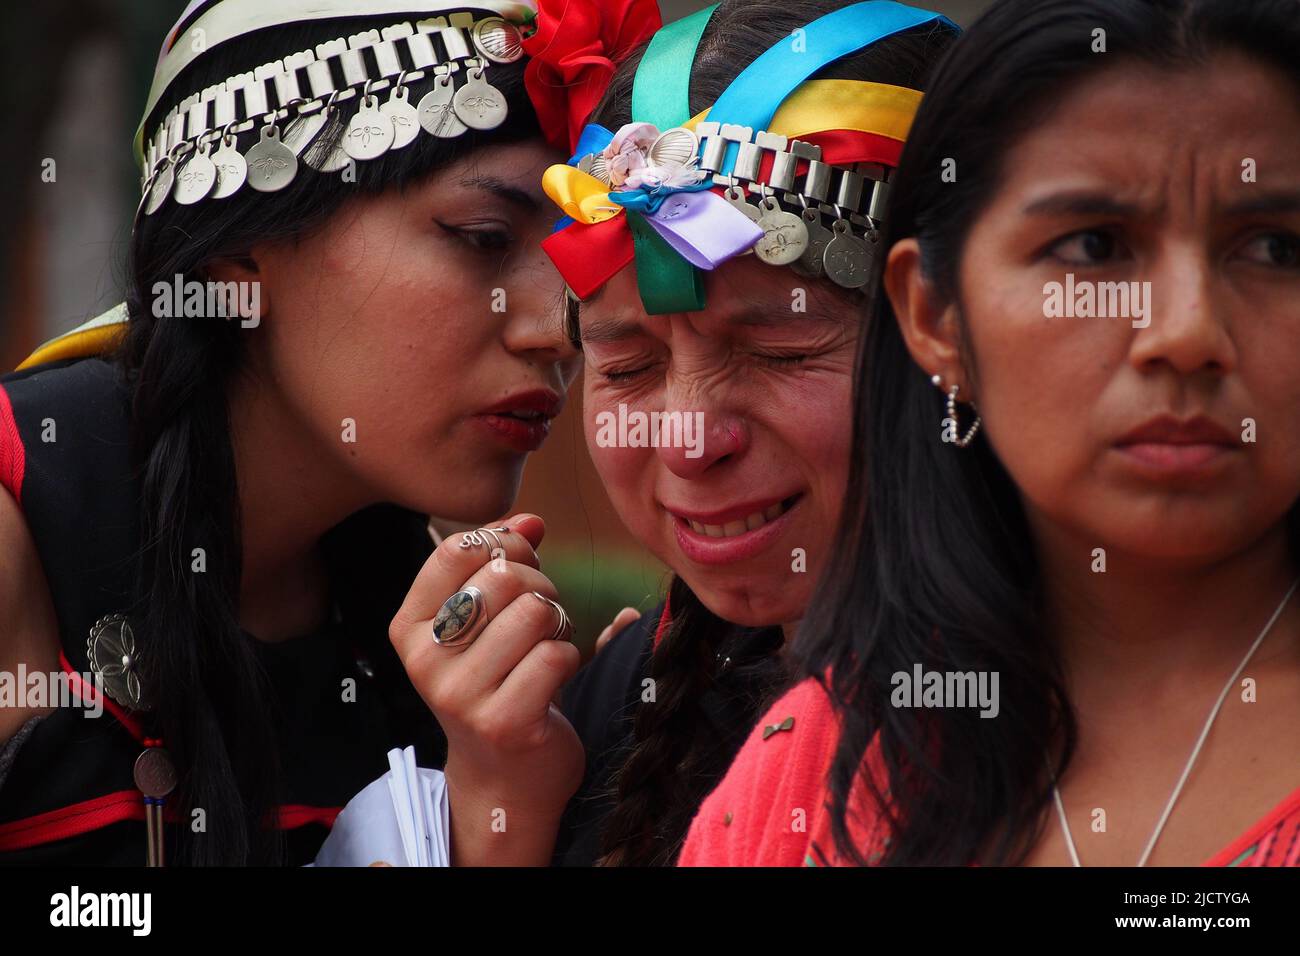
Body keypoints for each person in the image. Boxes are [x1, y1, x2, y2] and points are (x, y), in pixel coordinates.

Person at [0, 0, 658, 865]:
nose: (554, 327)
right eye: (482, 237)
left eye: (575, 261)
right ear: (237, 258)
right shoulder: (20, 530)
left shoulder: (420, 633)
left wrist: (516, 804)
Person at [679, 0, 1300, 867]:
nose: (1187, 332)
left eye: (1275, 249)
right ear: (935, 317)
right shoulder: (810, 779)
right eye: (1092, 246)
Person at [400, 0, 960, 866]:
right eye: (627, 368)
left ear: (951, 333)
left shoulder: (1116, 703)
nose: (690, 442)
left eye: (775, 351)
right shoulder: (614, 719)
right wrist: (499, 799)